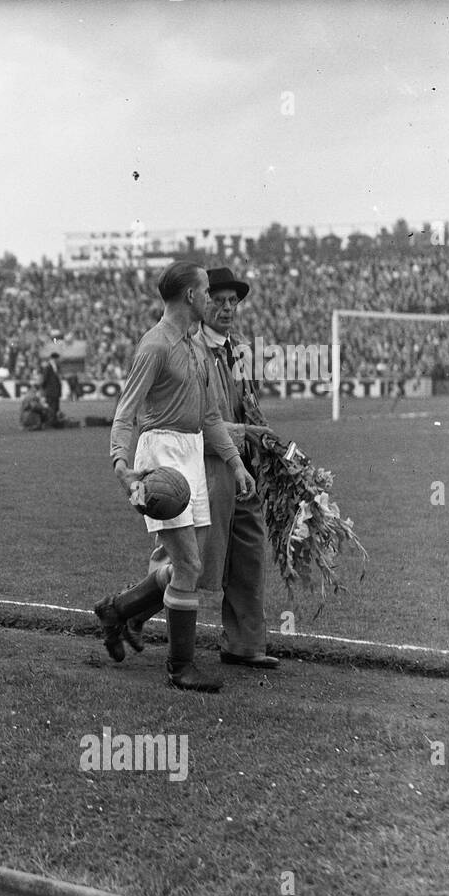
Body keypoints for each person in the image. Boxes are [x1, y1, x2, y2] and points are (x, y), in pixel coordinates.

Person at [92, 261, 255, 693]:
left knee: (188, 568)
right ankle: (179, 667)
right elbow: (125, 414)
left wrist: (235, 463)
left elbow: (210, 415)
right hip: (161, 457)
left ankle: (117, 608)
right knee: (189, 564)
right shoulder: (155, 346)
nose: (209, 298)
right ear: (189, 296)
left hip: (193, 453)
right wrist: (123, 468)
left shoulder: (196, 348)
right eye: (205, 292)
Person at [189, 266, 278, 667]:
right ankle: (124, 612)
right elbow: (192, 422)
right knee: (190, 562)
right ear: (201, 301)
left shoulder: (238, 348)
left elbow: (249, 405)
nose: (227, 308)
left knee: (250, 551)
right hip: (204, 469)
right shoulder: (189, 350)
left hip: (243, 470)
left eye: (232, 302)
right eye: (218, 300)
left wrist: (265, 447)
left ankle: (244, 645)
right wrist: (248, 434)